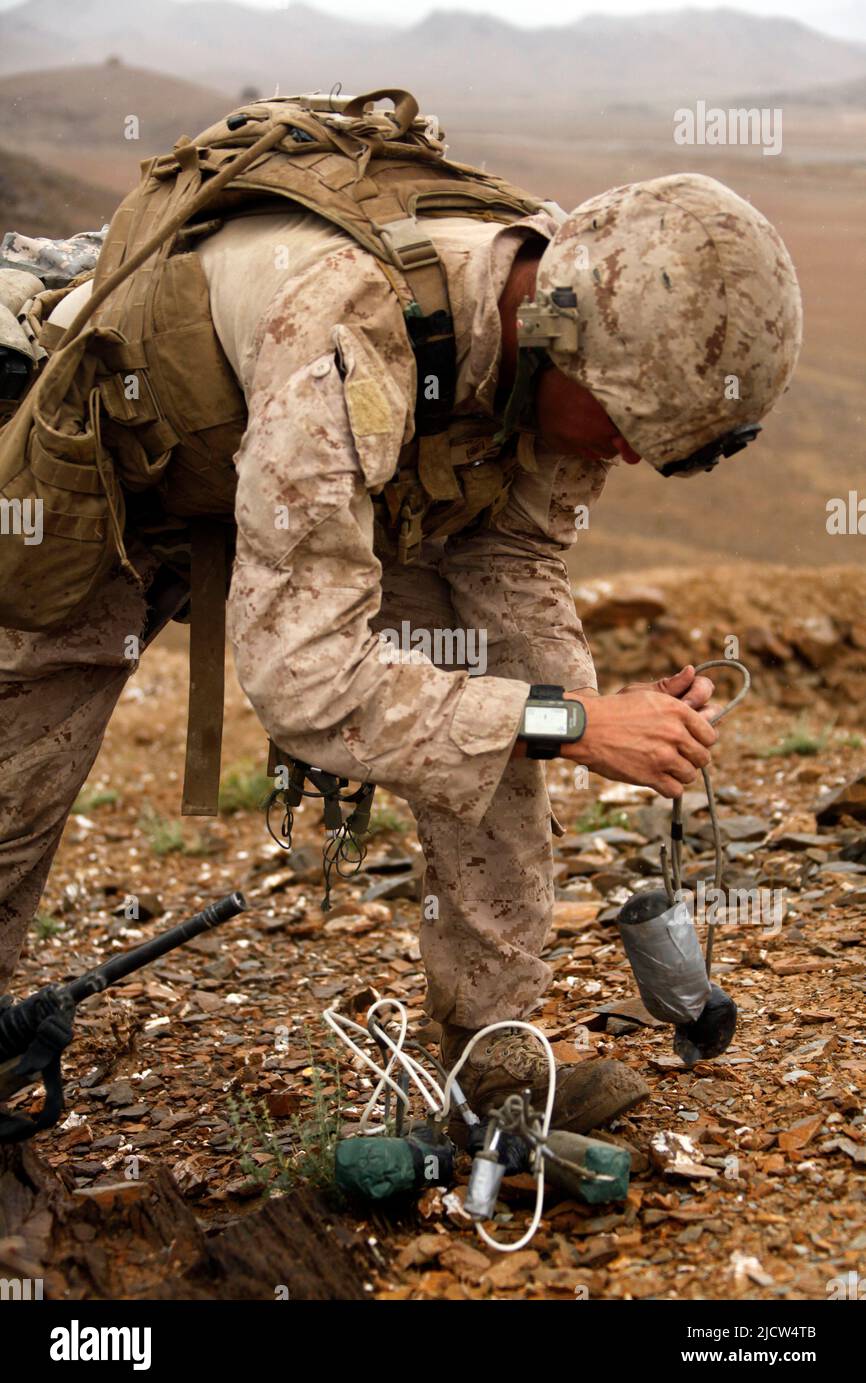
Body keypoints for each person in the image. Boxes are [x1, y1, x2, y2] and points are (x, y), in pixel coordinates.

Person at [0, 143, 802, 1132]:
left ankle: (493, 1059)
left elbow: (512, 563)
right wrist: (571, 719)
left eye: (655, 446)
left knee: (509, 708)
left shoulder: (574, 355)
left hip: (320, 492)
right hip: (119, 478)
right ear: (551, 330)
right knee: (10, 804)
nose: (625, 452)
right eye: (624, 422)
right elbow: (305, 685)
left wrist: (593, 714)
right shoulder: (347, 329)